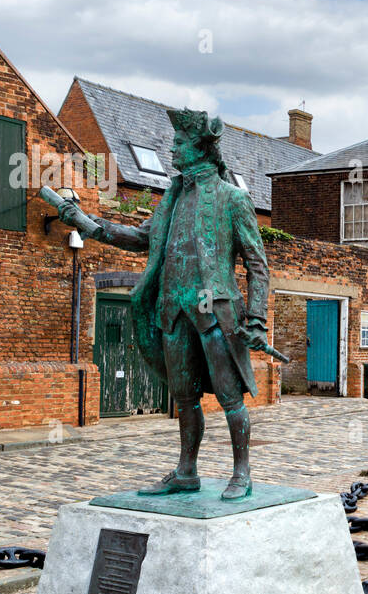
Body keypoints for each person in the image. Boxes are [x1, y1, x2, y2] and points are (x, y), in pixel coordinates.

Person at [57, 108, 270, 500]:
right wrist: (87, 224)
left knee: (228, 396)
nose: (172, 149)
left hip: (213, 312)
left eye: (179, 143)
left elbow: (258, 264)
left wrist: (256, 318)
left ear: (201, 148)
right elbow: (140, 238)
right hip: (172, 309)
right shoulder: (170, 199)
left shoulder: (232, 199)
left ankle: (243, 471)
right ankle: (185, 471)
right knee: (184, 397)